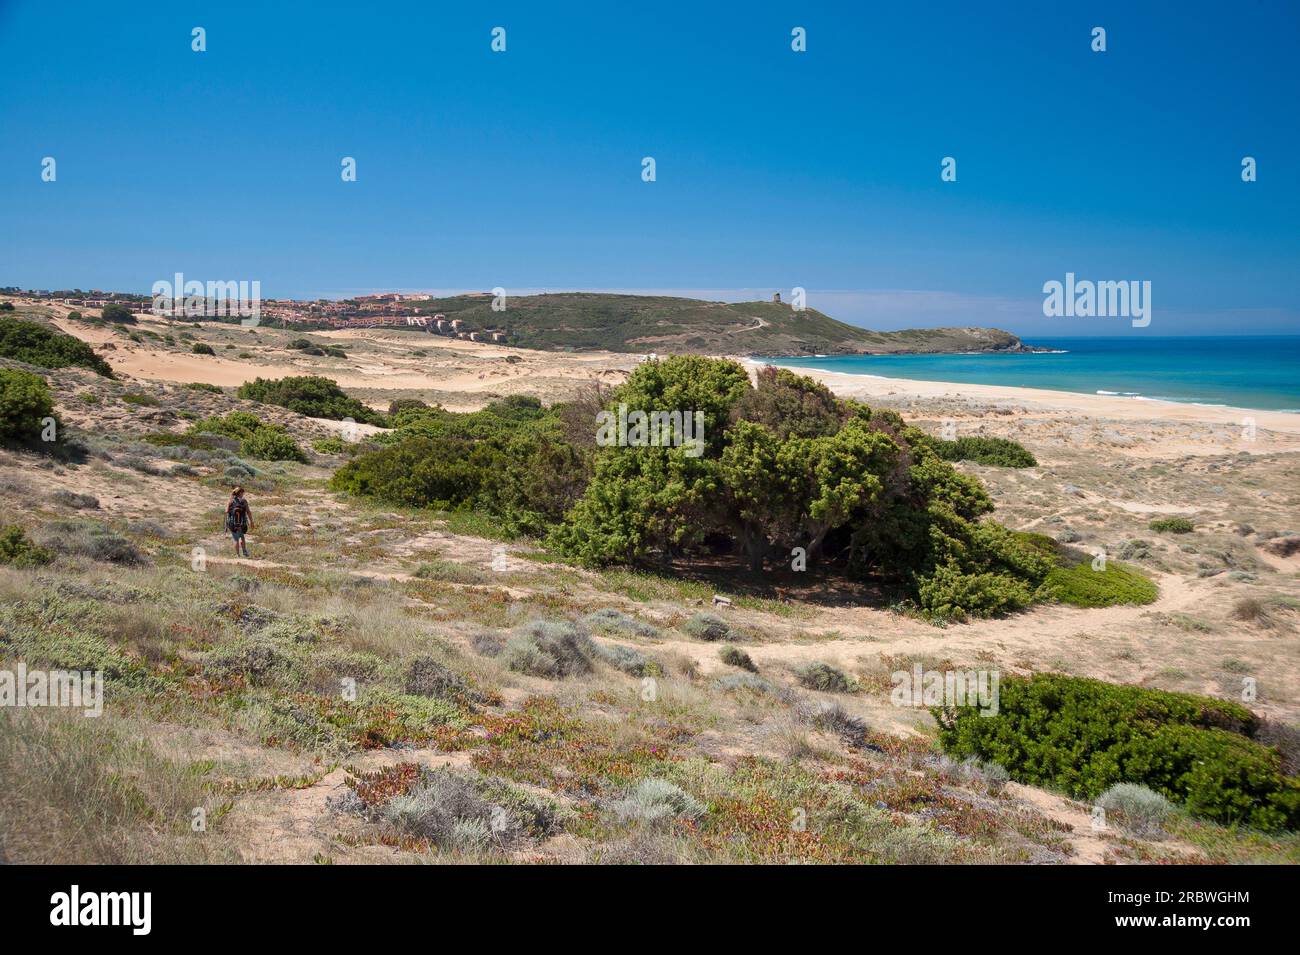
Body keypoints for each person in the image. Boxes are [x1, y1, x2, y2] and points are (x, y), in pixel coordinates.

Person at [225, 486, 253, 558]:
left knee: (235, 539)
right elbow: (248, 512)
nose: (243, 494)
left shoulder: (231, 501)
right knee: (242, 537)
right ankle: (244, 552)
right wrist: (251, 522)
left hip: (233, 523)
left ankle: (237, 555)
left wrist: (226, 524)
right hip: (242, 523)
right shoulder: (244, 501)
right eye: (243, 492)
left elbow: (227, 511)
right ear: (240, 493)